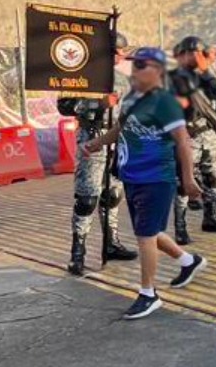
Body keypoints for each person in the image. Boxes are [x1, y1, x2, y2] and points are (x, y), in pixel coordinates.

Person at [82, 47, 207, 319]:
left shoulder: (165, 102)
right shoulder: (131, 99)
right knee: (147, 230)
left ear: (158, 70)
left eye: (141, 65)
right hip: (132, 176)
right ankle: (189, 261)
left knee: (144, 236)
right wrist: (98, 143)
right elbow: (121, 128)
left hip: (156, 177)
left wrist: (188, 179)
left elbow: (183, 140)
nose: (133, 70)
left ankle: (149, 294)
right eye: (132, 65)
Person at [58, 34, 137, 276]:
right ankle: (77, 252)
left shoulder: (124, 79)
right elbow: (64, 106)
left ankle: (111, 242)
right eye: (116, 51)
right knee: (87, 198)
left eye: (122, 52)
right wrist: (98, 104)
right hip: (91, 137)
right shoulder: (81, 76)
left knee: (112, 194)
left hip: (117, 137)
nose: (119, 56)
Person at [169, 37, 216, 244]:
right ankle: (180, 227)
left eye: (201, 53)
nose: (199, 57)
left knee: (211, 175)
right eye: (196, 53)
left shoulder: (205, 76)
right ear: (185, 54)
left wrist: (206, 70)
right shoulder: (172, 77)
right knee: (182, 182)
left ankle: (210, 217)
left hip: (207, 131)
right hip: (185, 134)